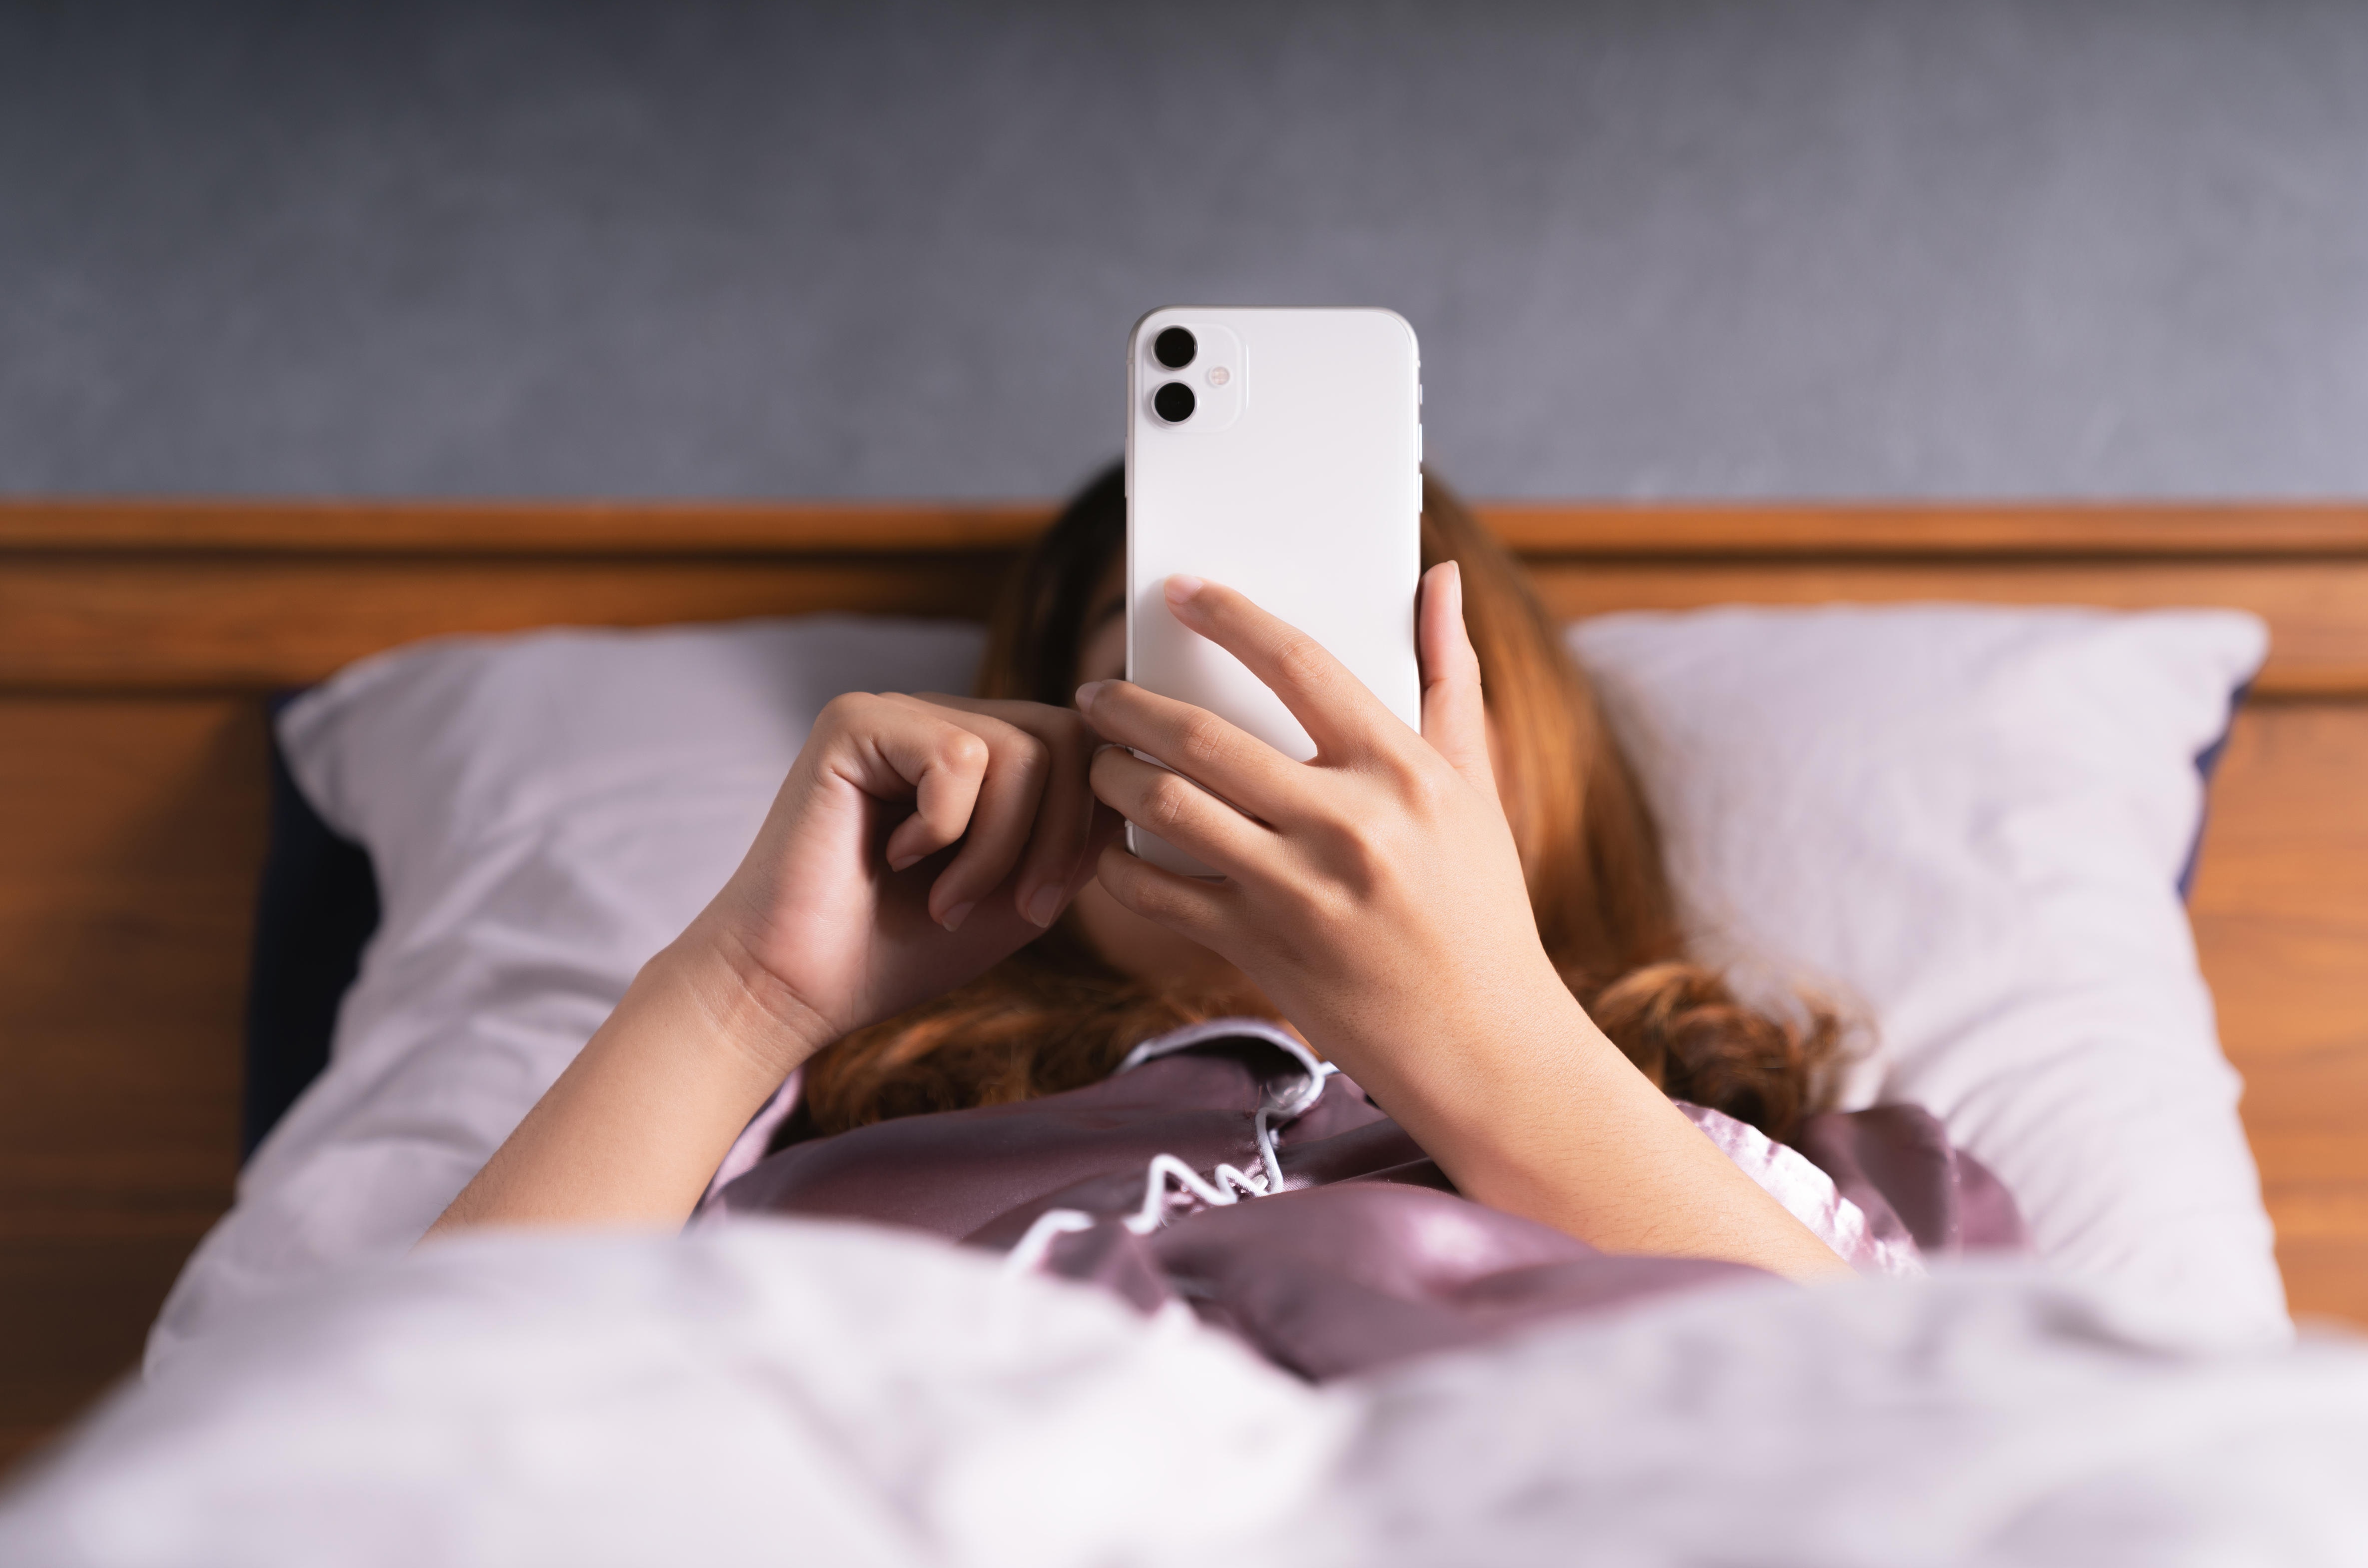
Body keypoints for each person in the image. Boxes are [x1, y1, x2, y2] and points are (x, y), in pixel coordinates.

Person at [428, 469, 1856, 1283]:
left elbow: (1940, 1476)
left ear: (1535, 732)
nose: (1273, 732)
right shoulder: (795, 1138)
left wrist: (1487, 1031)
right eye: (1173, 658)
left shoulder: (1802, 1166)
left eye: (1349, 651)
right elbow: (394, 1459)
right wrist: (739, 999)